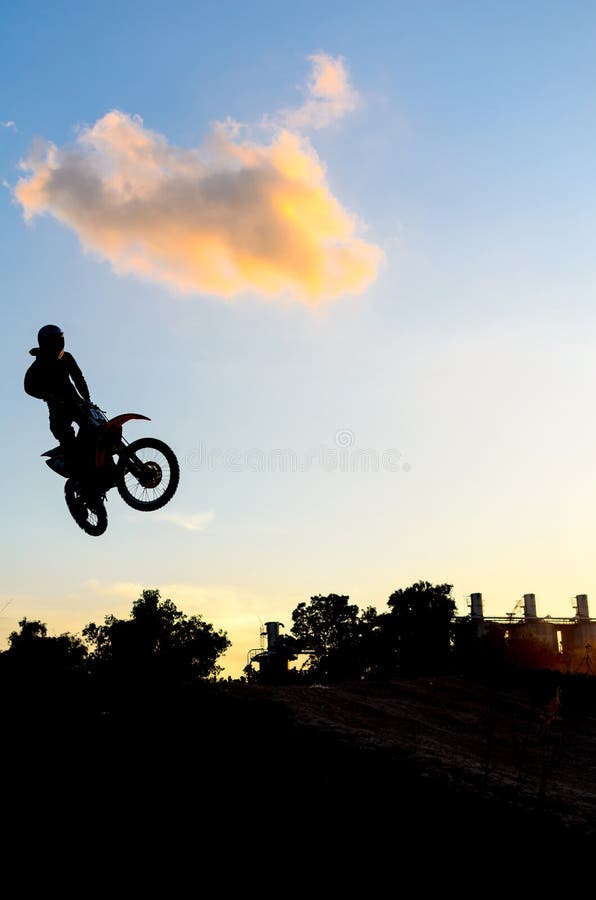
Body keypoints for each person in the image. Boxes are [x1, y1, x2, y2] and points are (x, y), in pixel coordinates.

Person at [24, 324, 91, 462]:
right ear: (46, 343)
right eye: (54, 341)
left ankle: (109, 465)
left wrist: (87, 399)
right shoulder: (38, 365)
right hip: (58, 408)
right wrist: (48, 396)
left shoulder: (66, 357)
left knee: (96, 429)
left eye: (59, 340)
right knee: (64, 433)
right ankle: (76, 463)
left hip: (77, 402)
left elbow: (78, 378)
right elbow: (28, 387)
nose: (58, 344)